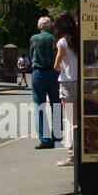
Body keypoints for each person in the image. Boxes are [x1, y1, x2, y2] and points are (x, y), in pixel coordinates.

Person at [28, 17, 60, 150]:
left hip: (39, 74)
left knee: (39, 107)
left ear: (38, 26)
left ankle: (45, 140)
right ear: (50, 26)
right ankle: (57, 137)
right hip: (54, 73)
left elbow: (31, 54)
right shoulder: (56, 38)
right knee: (56, 105)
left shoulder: (34, 38)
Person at [52, 11, 79, 167]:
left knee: (71, 120)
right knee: (77, 119)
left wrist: (59, 65)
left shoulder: (62, 42)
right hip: (79, 81)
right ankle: (77, 151)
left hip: (67, 82)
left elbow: (56, 65)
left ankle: (72, 154)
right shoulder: (77, 39)